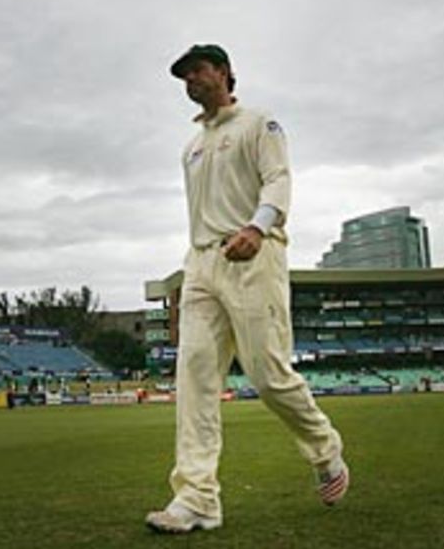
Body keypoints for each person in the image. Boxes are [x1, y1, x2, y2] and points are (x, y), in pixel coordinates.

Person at [146, 44, 347, 535]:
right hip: (201, 265)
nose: (190, 80)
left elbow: (278, 180)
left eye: (197, 70)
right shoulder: (190, 147)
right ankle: (196, 499)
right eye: (183, 76)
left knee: (268, 375)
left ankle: (326, 449)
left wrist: (256, 229)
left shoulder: (260, 124)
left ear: (224, 72)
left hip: (254, 256)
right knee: (194, 377)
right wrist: (199, 261)